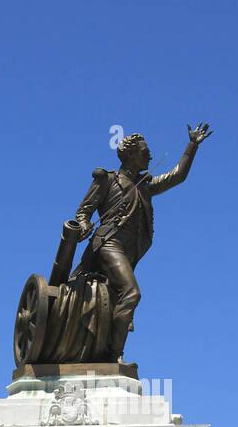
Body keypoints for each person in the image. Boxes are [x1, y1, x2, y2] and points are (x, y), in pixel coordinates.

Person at [73, 122, 211, 364]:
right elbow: (84, 211)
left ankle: (106, 349)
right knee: (132, 293)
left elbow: (178, 175)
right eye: (145, 151)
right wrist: (84, 224)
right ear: (130, 154)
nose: (150, 155)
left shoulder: (145, 186)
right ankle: (114, 355)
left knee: (118, 298)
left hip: (129, 251)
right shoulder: (107, 180)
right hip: (107, 243)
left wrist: (192, 145)